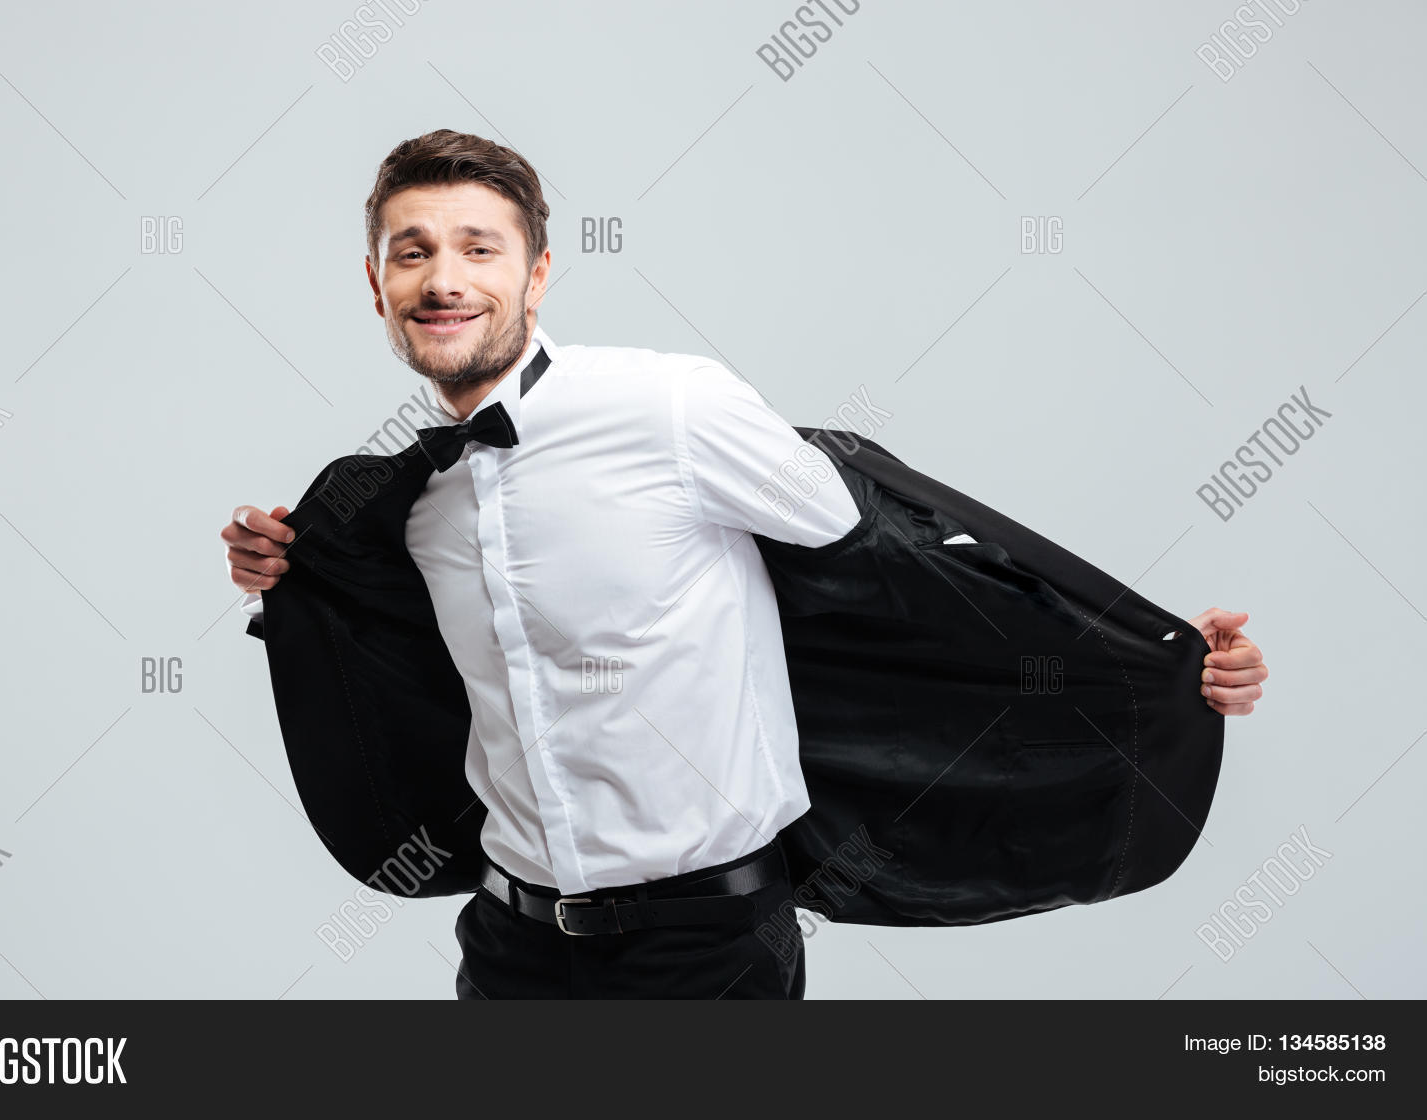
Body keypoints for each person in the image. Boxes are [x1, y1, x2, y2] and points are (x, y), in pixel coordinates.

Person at [220, 130, 1268, 999]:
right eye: (412, 252)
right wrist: (292, 575)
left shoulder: (673, 408)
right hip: (510, 950)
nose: (444, 279)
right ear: (375, 286)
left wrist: (1154, 658)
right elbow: (381, 639)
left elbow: (905, 573)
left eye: (479, 249)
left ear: (538, 273)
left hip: (710, 949)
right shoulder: (407, 502)